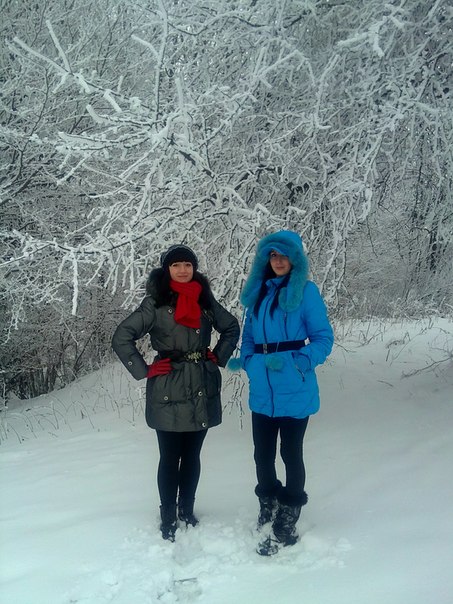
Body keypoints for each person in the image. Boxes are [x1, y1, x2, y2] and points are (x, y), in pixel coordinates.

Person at [112, 244, 239, 542]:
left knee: (192, 455)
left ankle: (187, 509)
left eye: (188, 265)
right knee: (169, 456)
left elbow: (231, 327)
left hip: (201, 386)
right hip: (168, 386)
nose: (183, 270)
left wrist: (218, 355)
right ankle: (168, 514)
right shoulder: (155, 303)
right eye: (176, 265)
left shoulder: (204, 299)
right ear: (167, 269)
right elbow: (122, 336)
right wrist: (144, 370)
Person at [238, 230, 333, 555]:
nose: (278, 261)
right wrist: (249, 361)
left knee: (291, 453)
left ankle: (289, 513)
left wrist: (300, 362)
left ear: (295, 259)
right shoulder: (259, 293)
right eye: (273, 255)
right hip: (262, 388)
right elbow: (248, 336)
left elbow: (323, 337)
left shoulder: (306, 291)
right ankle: (268, 502)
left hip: (295, 386)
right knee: (262, 454)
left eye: (283, 255)